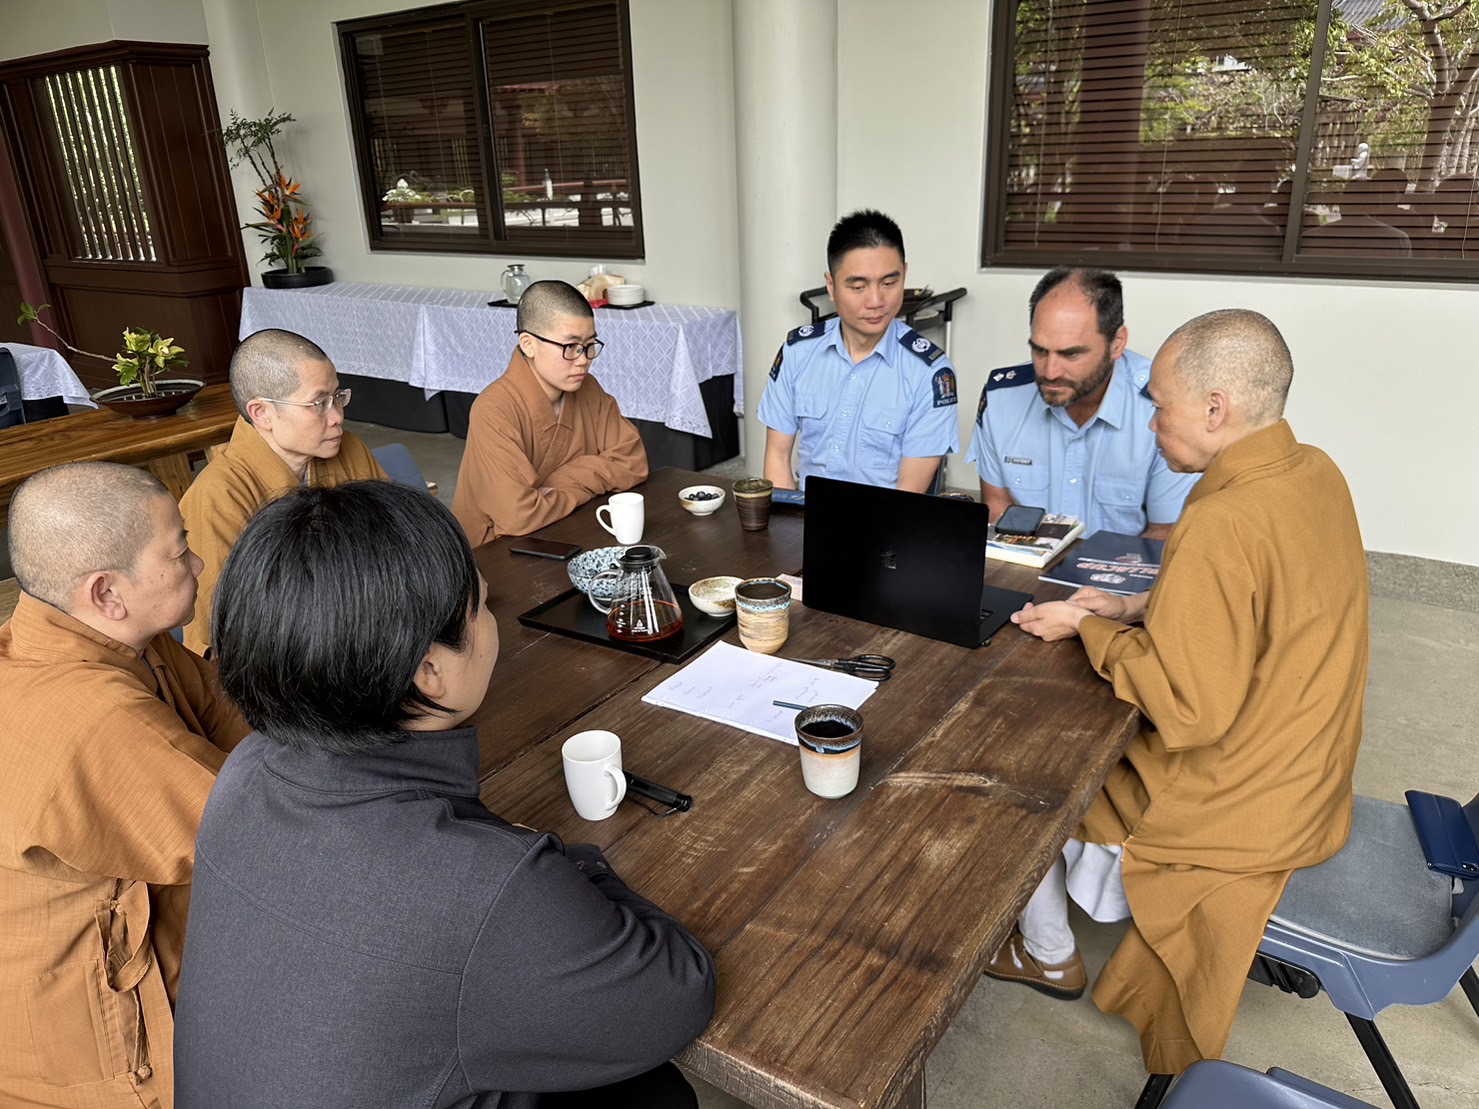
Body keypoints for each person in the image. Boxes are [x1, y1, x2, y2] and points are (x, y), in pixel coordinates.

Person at [173, 480, 715, 1108]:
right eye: (482, 607)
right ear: (427, 669)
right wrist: (567, 862)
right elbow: (677, 992)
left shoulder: (247, 772)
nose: (493, 625)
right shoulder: (485, 885)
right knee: (654, 1091)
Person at [987, 309, 1369, 1077]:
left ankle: (1047, 948)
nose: (1150, 421)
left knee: (1029, 767)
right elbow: (1259, 612)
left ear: (1215, 407)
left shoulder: (1221, 517)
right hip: (1317, 775)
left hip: (1245, 804)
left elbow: (1188, 711)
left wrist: (1087, 629)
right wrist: (1133, 607)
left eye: (1160, 404)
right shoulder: (1313, 469)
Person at [0, 462, 250, 1108]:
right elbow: (252, 831)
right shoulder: (88, 714)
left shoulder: (109, 638)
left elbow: (239, 726)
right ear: (107, 592)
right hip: (95, 1050)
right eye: (179, 552)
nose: (197, 565)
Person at [178, 328, 385, 655]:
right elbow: (222, 631)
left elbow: (398, 542)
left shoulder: (351, 450)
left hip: (375, 632)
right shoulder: (218, 496)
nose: (337, 417)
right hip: (290, 665)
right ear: (262, 413)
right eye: (319, 403)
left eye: (338, 397)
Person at [966, 268, 1197, 538]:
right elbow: (997, 508)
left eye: (1071, 354)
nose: (1050, 372)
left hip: (1119, 574)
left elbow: (1164, 533)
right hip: (1023, 572)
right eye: (1040, 350)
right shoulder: (1001, 397)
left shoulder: (1164, 407)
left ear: (1116, 343)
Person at [758, 209, 958, 492]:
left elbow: (908, 498)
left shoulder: (930, 374)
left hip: (884, 528)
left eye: (889, 283)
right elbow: (777, 457)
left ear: (905, 275)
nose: (876, 301)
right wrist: (789, 530)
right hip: (805, 522)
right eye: (858, 286)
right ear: (831, 286)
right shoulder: (798, 352)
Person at [451, 279, 648, 546]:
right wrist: (592, 479)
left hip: (570, 529)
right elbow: (519, 515)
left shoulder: (588, 388)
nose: (583, 359)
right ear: (528, 344)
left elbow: (633, 463)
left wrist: (557, 484)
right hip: (497, 551)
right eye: (570, 346)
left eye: (590, 345)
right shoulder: (494, 409)